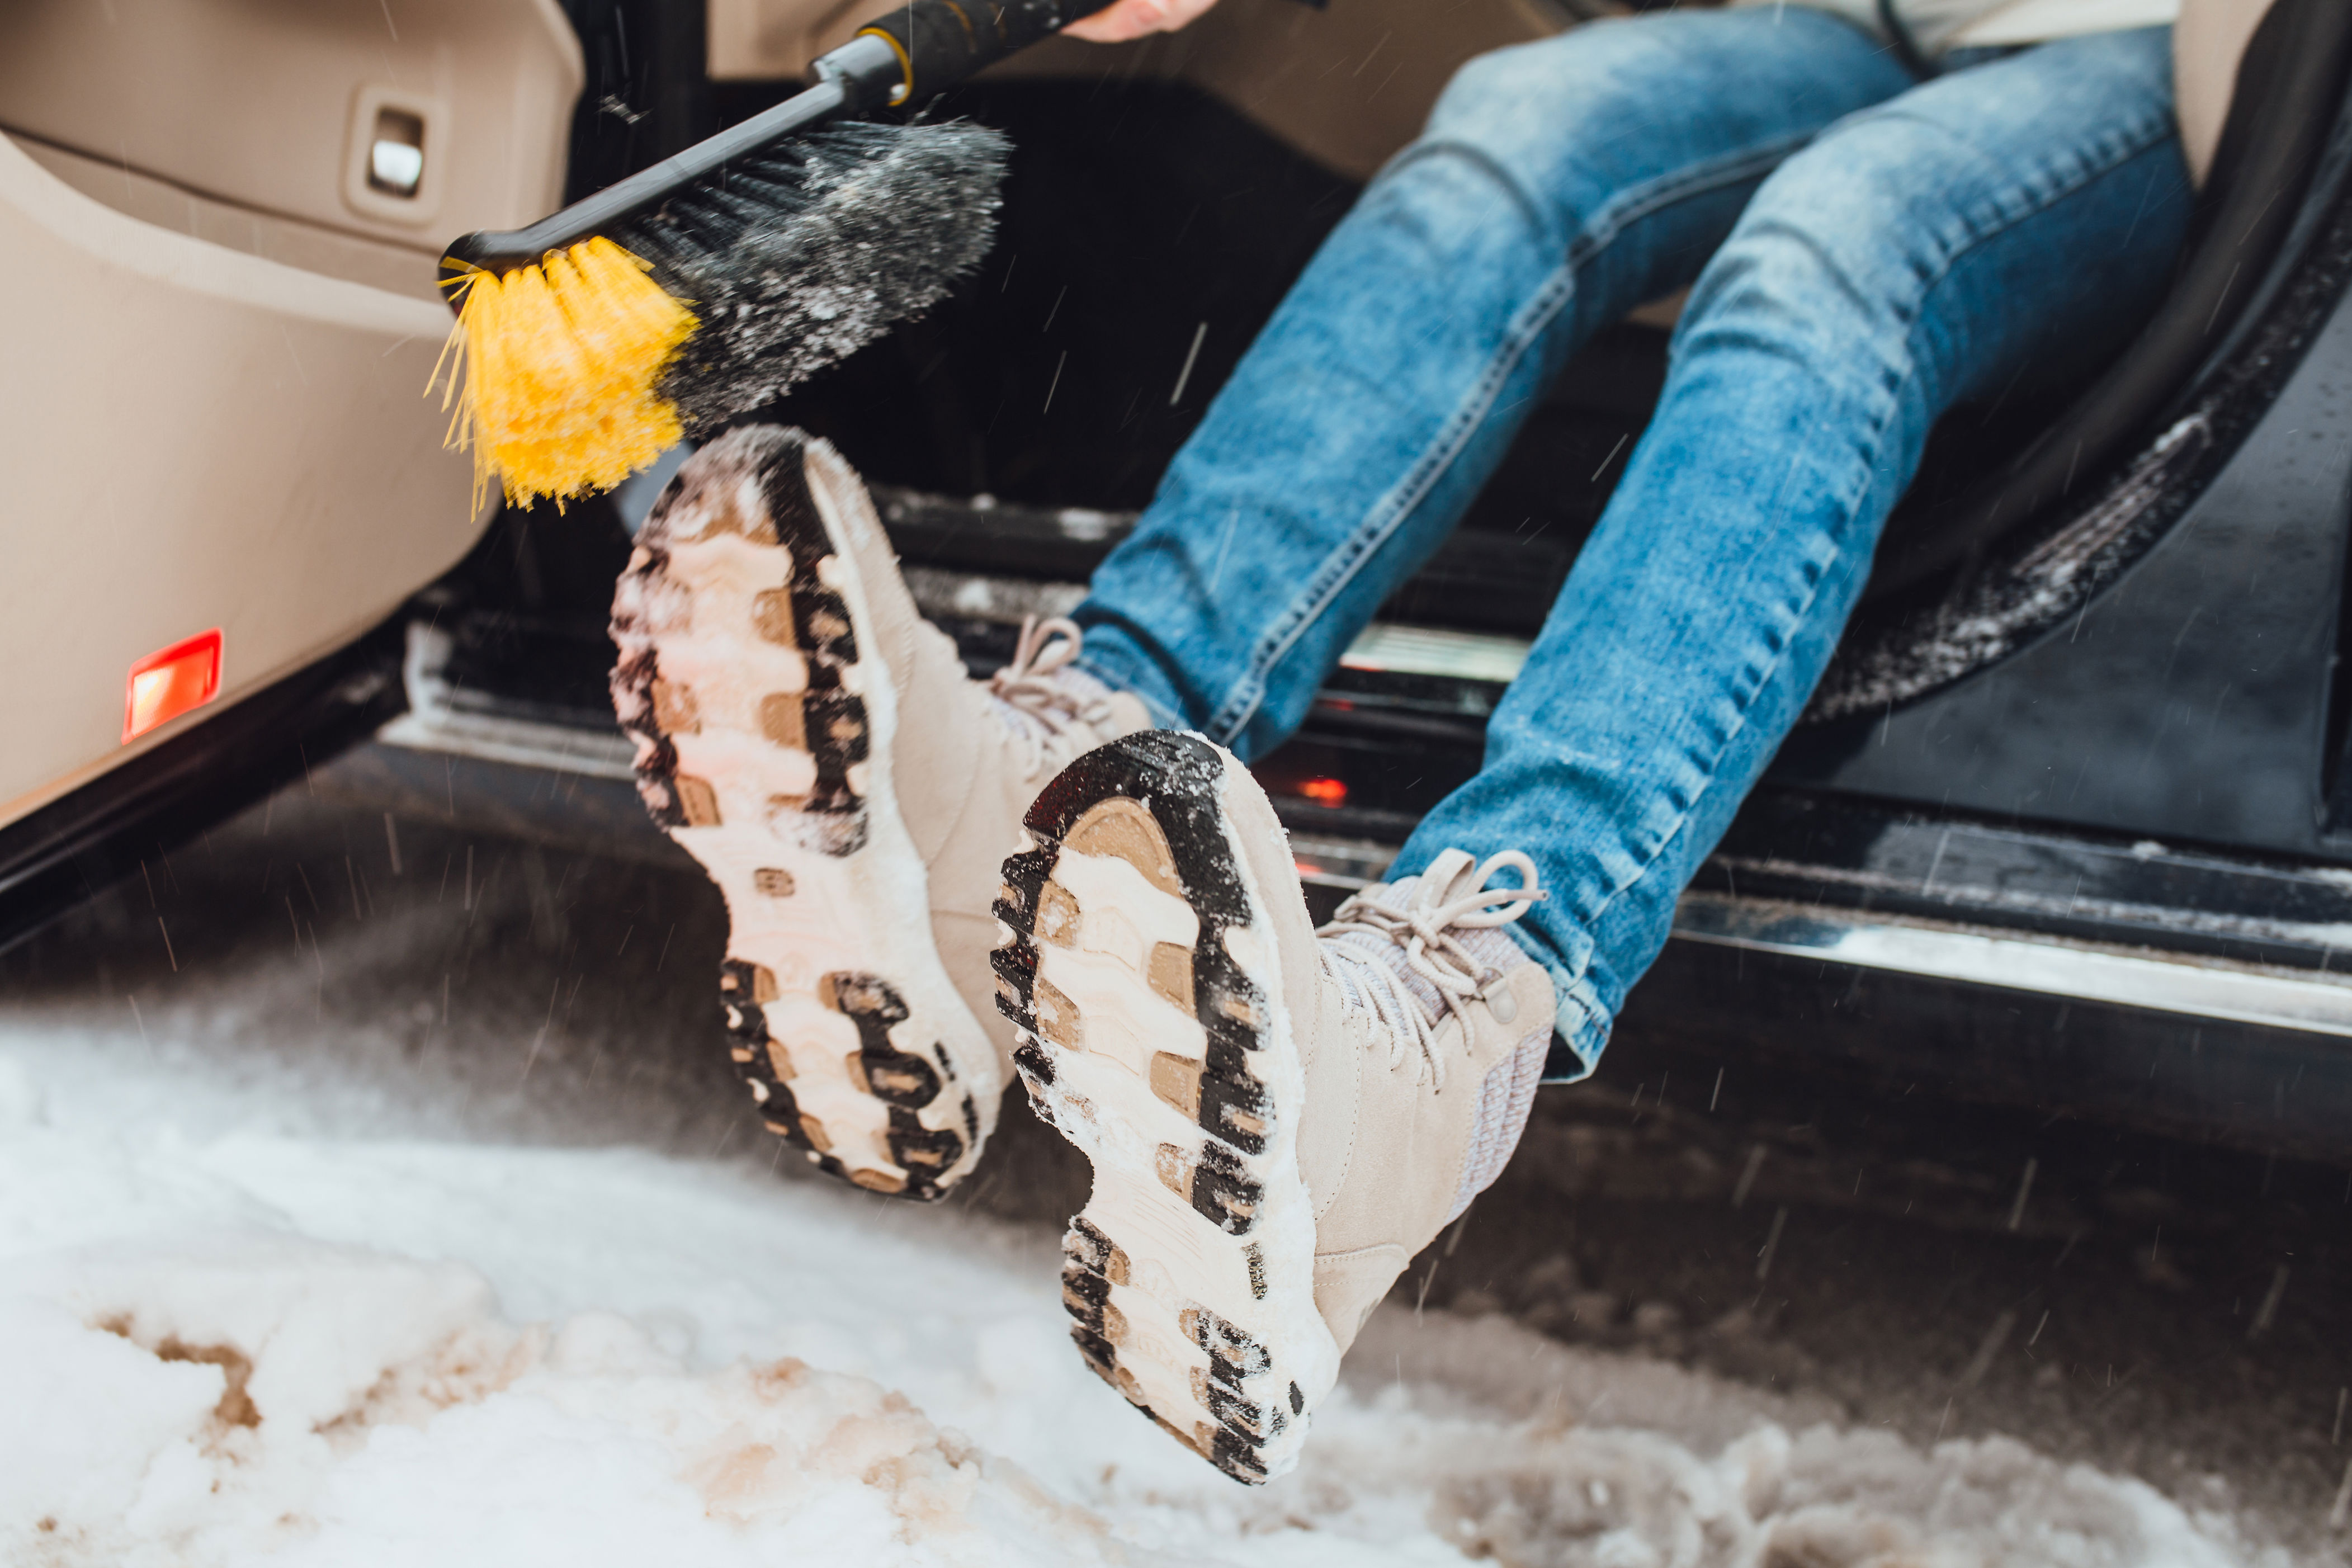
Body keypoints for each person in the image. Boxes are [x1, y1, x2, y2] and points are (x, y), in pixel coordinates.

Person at [612, 0, 2245, 1483]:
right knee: (1507, 135)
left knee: (1832, 249)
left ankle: (1455, 1023)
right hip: (1862, 15)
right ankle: (1041, 789)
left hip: (2158, 45)